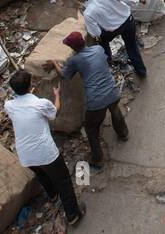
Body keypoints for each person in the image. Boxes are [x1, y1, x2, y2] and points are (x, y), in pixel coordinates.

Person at [4, 70, 84, 226]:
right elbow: (55, 113)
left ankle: (52, 195)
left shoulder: (9, 106)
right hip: (45, 152)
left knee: (42, 174)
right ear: (30, 85)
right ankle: (73, 214)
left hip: (26, 156)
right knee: (64, 181)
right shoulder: (40, 104)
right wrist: (57, 95)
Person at [54, 31, 129, 167]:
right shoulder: (98, 49)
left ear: (72, 47)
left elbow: (64, 75)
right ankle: (123, 133)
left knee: (91, 128)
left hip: (96, 101)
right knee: (115, 110)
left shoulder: (74, 60)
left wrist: (54, 63)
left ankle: (98, 158)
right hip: (112, 91)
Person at [68, 0, 148, 79]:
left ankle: (108, 61)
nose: (77, 0)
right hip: (128, 21)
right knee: (132, 47)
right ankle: (141, 72)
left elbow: (96, 33)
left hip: (112, 31)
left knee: (102, 41)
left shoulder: (88, 13)